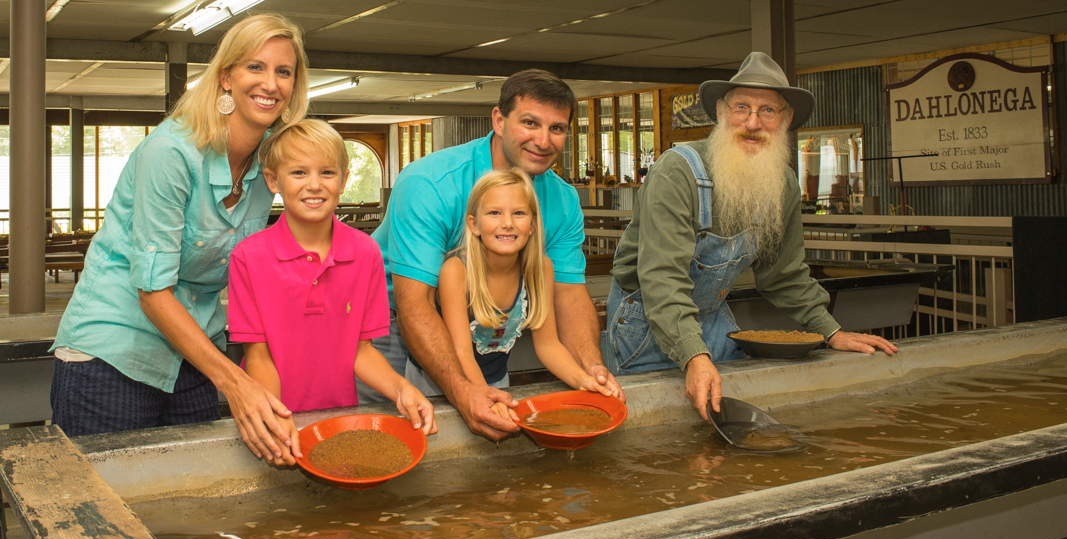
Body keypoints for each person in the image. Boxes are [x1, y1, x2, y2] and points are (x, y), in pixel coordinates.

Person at [49, 14, 310, 464]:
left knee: (191, 516)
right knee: (110, 515)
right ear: (226, 77)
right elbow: (153, 292)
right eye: (255, 67)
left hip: (195, 354)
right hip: (114, 353)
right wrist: (236, 383)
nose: (270, 83)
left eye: (283, 71)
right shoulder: (171, 153)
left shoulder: (267, 164)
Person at [603, 52, 897, 422]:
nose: (753, 122)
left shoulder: (782, 184)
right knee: (652, 434)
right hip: (644, 325)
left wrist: (830, 331)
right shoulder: (676, 173)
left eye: (768, 111)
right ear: (722, 113)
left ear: (786, 120)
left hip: (711, 321)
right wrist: (694, 356)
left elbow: (783, 275)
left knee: (727, 430)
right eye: (742, 107)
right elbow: (662, 277)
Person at [368, 69, 623, 441]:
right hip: (392, 320)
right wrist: (462, 390)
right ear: (499, 120)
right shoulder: (429, 183)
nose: (543, 140)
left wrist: (592, 369)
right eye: (530, 123)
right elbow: (415, 306)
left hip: (488, 339)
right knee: (398, 440)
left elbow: (567, 294)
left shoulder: (563, 200)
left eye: (557, 128)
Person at [228, 119, 436, 466]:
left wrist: (403, 389)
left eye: (326, 172)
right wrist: (277, 420)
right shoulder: (248, 257)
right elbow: (259, 357)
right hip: (274, 422)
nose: (314, 185)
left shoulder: (366, 251)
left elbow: (362, 352)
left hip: (341, 421)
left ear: (344, 179)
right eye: (298, 173)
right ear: (273, 180)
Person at [409, 168, 621, 414]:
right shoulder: (456, 271)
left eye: (519, 213)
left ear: (532, 225)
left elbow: (549, 345)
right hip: (436, 383)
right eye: (494, 213)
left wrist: (581, 379)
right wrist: (488, 399)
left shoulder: (541, 268)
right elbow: (461, 354)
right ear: (474, 224)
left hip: (497, 379)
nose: (507, 223)